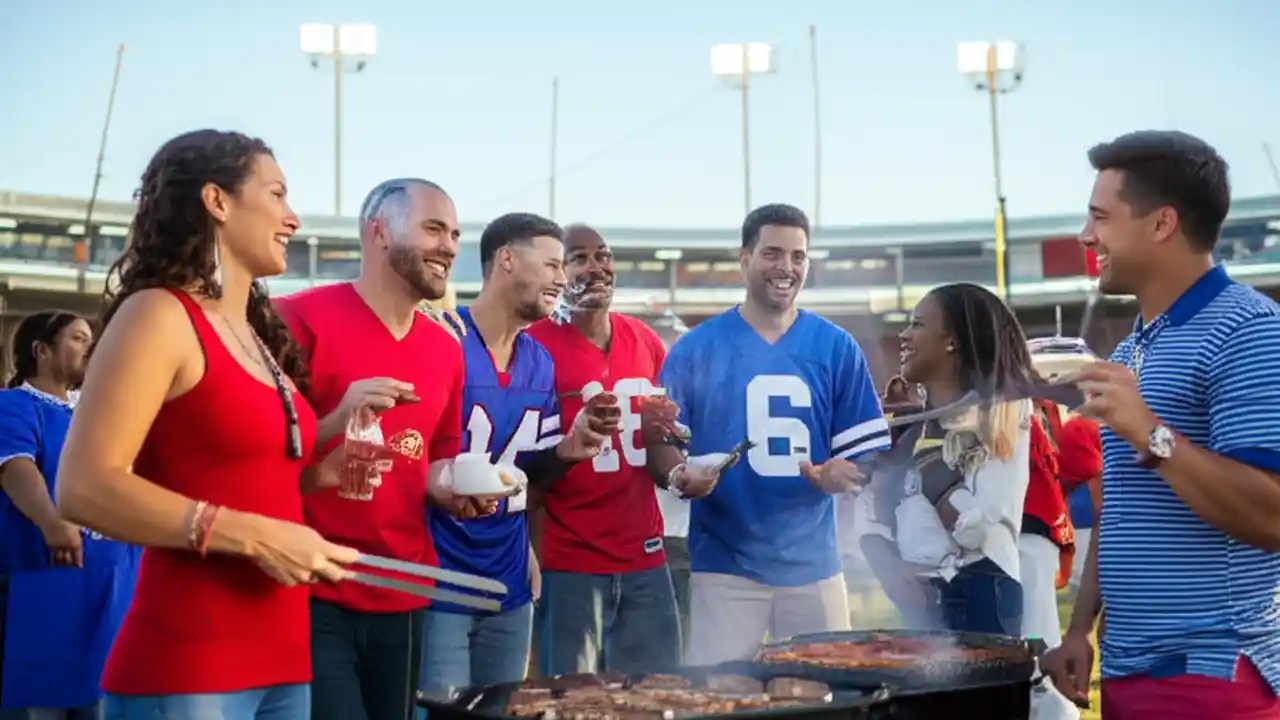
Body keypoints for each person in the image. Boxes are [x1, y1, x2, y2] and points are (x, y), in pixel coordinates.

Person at [56, 129, 361, 720]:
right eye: (276, 194)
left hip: (283, 660)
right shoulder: (159, 314)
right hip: (190, 663)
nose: (292, 218)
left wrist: (311, 479)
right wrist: (256, 534)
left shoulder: (256, 333)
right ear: (217, 201)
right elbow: (83, 485)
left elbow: (219, 478)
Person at [1044, 130, 1280, 719]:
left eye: (1101, 216)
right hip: (1130, 669)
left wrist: (1152, 432)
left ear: (1161, 224)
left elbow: (1272, 515)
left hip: (1212, 672)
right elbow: (1123, 507)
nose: (1085, 235)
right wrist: (1081, 629)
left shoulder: (1248, 330)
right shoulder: (1130, 352)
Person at [644, 203, 889, 665]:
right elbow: (660, 439)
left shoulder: (835, 347)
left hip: (814, 563)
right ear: (744, 259)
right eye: (773, 254)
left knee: (829, 697)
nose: (787, 268)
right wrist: (679, 476)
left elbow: (866, 455)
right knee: (718, 698)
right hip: (725, 564)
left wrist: (845, 474)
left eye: (798, 256)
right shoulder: (698, 347)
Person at [274, 178, 477, 720]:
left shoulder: (445, 348)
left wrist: (456, 490)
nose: (450, 246)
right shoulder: (297, 319)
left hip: (404, 590)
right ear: (378, 231)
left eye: (455, 233)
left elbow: (436, 457)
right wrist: (337, 419)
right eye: (434, 229)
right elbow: (263, 450)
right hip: (313, 587)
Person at [420, 213, 618, 693]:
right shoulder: (440, 340)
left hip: (508, 579)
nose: (562, 277)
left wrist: (568, 451)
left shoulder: (539, 361)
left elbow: (526, 476)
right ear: (506, 259)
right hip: (440, 576)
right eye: (551, 264)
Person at [527, 224, 682, 676]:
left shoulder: (645, 340)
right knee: (572, 700)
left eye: (604, 255)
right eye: (578, 257)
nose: (596, 266)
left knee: (658, 694)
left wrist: (678, 471)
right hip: (570, 559)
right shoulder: (534, 345)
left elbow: (657, 441)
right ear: (557, 271)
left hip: (645, 555)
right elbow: (529, 467)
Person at [855, 283, 1033, 638]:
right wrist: (892, 574)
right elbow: (867, 517)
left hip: (981, 594)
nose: (903, 336)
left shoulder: (1000, 413)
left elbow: (977, 530)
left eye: (918, 325)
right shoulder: (913, 428)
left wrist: (932, 464)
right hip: (920, 600)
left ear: (952, 341)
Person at [0, 312, 138, 719]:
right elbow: (14, 466)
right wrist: (52, 523)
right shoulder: (15, 405)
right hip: (51, 583)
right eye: (78, 338)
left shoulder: (98, 415)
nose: (89, 348)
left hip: (115, 583)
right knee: (46, 704)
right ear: (41, 351)